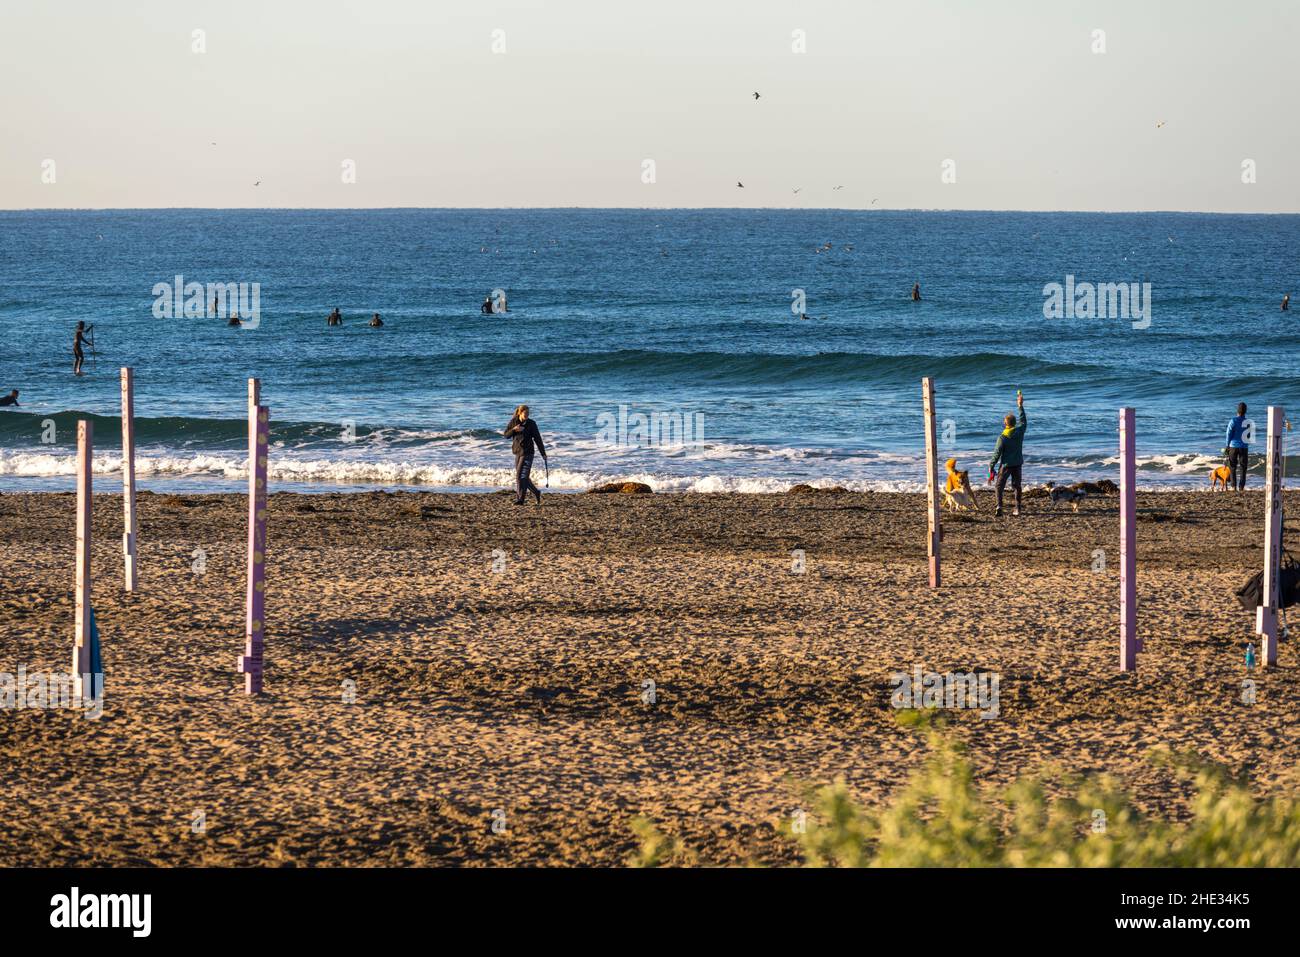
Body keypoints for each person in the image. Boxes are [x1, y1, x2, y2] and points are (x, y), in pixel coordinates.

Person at [988, 391, 1027, 517]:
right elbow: (1024, 421)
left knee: (999, 486)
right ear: (1014, 423)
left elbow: (997, 453)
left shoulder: (1002, 437)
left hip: (1005, 465)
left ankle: (999, 506)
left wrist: (991, 465)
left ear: (1005, 424)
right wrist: (1020, 405)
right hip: (1017, 463)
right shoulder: (1020, 431)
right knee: (1017, 486)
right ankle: (1018, 508)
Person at [503, 404, 547, 506]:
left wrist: (543, 453)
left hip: (528, 452)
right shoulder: (514, 422)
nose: (527, 415)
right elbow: (506, 435)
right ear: (520, 413)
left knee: (520, 476)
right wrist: (514, 430)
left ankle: (520, 500)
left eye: (528, 413)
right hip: (517, 452)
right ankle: (536, 492)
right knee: (524, 477)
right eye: (525, 413)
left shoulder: (531, 424)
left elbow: (538, 439)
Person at [1225, 402, 1249, 492]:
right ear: (1245, 411)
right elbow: (1250, 436)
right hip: (1244, 447)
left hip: (1233, 446)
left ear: (1237, 410)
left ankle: (1233, 486)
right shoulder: (1248, 422)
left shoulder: (1233, 420)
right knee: (1243, 467)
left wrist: (1227, 445)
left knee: (1232, 466)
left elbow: (1228, 434)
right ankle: (1241, 487)